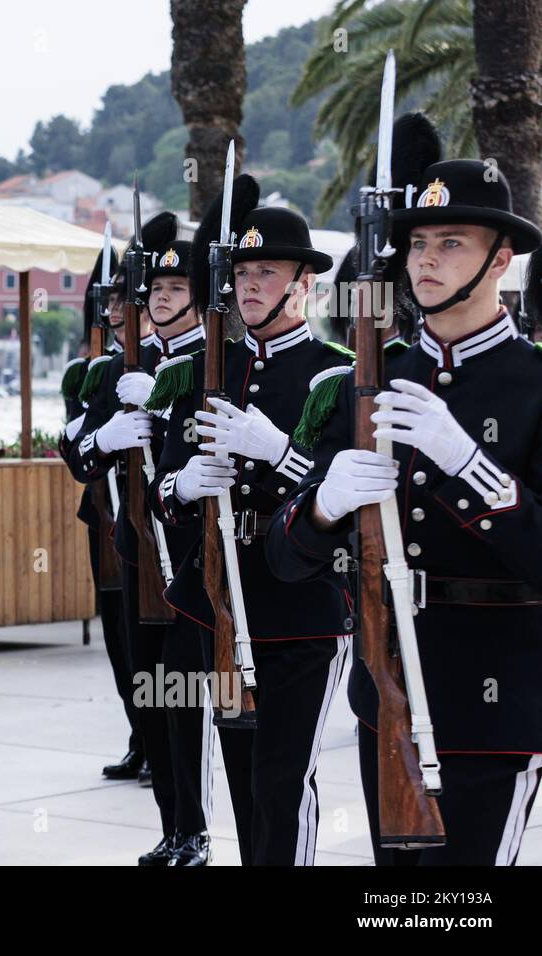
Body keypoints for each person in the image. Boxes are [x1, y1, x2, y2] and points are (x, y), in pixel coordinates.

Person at [267, 153, 542, 865]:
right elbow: (284, 556)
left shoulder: (534, 385)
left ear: (501, 259)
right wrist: (323, 506)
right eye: (418, 243)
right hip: (385, 691)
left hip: (495, 701)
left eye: (452, 243)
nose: (426, 260)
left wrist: (469, 465)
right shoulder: (367, 378)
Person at [144, 177, 353, 865]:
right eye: (241, 271)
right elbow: (161, 496)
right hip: (219, 604)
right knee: (242, 780)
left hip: (303, 609)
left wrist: (279, 453)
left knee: (280, 783)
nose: (250, 284)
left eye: (268, 271)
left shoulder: (336, 378)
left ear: (305, 284)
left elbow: (346, 502)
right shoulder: (203, 370)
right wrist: (183, 481)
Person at [65, 215, 214, 864]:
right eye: (154, 287)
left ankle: (198, 827)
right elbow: (76, 453)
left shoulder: (216, 363)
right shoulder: (117, 370)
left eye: (178, 286)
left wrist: (160, 404)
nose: (161, 297)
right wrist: (105, 438)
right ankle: (172, 828)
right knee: (147, 696)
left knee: (185, 699)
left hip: (194, 558)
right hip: (136, 553)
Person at [63, 249, 147, 785]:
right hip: (105, 519)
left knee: (149, 645)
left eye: (122, 301)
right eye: (109, 302)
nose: (114, 312)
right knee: (119, 641)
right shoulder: (92, 372)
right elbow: (75, 447)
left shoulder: (158, 367)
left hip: (146, 520)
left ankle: (159, 741)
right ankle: (139, 735)